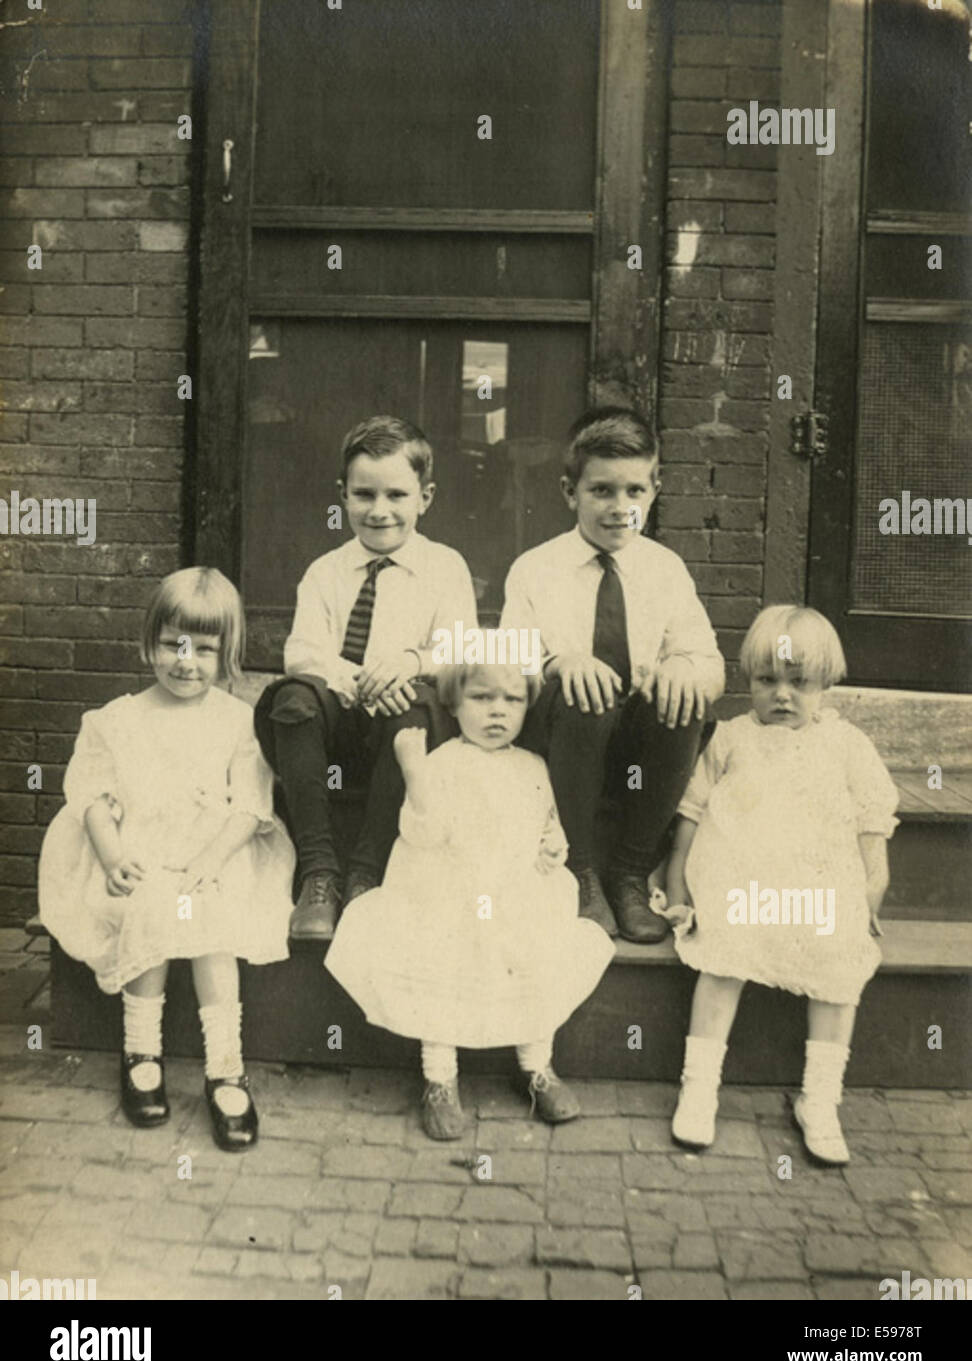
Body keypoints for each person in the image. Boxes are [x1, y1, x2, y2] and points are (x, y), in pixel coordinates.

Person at [38, 568, 294, 1151]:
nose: (187, 662)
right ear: (149, 641)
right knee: (150, 907)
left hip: (213, 855)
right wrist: (112, 857)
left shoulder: (237, 722)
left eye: (205, 650)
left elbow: (249, 807)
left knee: (211, 927)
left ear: (227, 654)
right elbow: (95, 800)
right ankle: (141, 1052)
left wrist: (211, 858)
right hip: (141, 852)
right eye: (173, 644)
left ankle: (225, 1068)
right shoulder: (116, 719)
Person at [324, 660, 615, 1141]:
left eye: (512, 699)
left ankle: (535, 1065)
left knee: (536, 952)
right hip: (448, 893)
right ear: (454, 704)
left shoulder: (533, 765)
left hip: (516, 893)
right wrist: (413, 770)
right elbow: (423, 830)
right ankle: (440, 1075)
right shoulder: (443, 762)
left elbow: (547, 823)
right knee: (442, 961)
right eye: (482, 698)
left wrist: (552, 846)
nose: (497, 711)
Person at [665, 605, 898, 1165]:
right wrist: (676, 883)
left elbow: (871, 818)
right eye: (768, 681)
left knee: (839, 957)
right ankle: (699, 1085)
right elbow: (692, 813)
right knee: (726, 950)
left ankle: (819, 1098)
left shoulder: (845, 744)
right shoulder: (731, 737)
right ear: (750, 681)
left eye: (800, 683)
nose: (782, 696)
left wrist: (874, 879)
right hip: (738, 870)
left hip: (816, 875)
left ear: (825, 684)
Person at [500, 406, 724, 943]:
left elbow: (711, 664)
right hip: (565, 737)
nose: (620, 508)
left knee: (687, 696)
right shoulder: (536, 568)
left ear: (655, 490)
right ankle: (579, 869)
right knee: (586, 689)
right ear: (569, 491)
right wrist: (559, 662)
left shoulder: (664, 569)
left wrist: (683, 669)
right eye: (601, 491)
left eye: (634, 492)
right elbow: (507, 662)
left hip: (636, 747)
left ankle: (628, 869)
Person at [254, 416, 477, 940]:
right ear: (343, 496)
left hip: (399, 731)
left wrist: (410, 661)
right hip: (335, 726)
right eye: (364, 495)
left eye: (397, 495)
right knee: (292, 699)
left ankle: (366, 874)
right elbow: (304, 653)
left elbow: (461, 648)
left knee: (417, 707)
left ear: (425, 497)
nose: (380, 511)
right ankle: (319, 873)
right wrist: (361, 679)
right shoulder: (324, 572)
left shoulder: (446, 568)